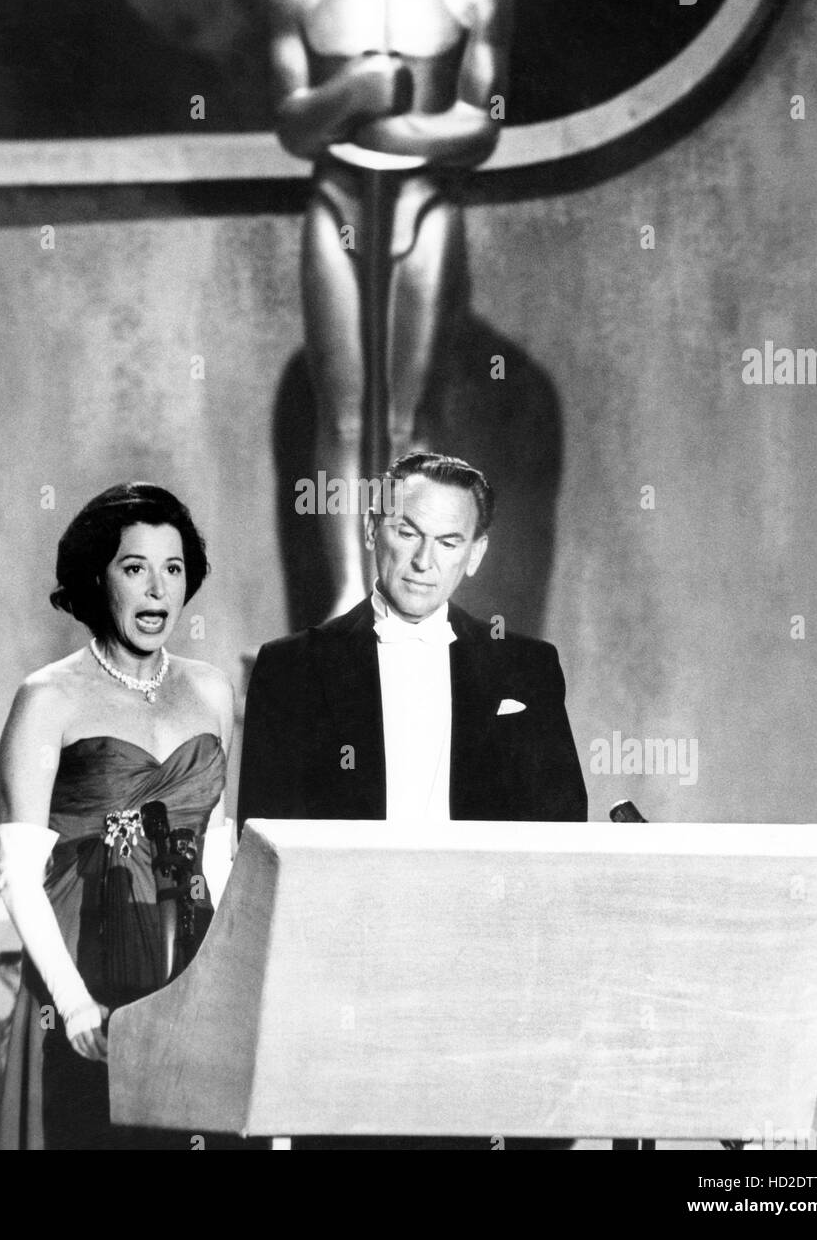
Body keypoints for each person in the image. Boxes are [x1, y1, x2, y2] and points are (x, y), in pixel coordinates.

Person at [238, 452, 586, 1149]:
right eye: (408, 531)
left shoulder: (526, 667)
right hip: (347, 990)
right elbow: (265, 849)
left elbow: (564, 830)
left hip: (484, 990)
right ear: (374, 528)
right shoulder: (291, 667)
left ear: (476, 554)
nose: (426, 560)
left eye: (450, 541)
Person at [271, 0, 513, 615]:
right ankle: (349, 593)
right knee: (342, 412)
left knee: (414, 414)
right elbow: (293, 125)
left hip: (424, 207)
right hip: (337, 201)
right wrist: (352, 90)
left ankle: (417, 594)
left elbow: (482, 125)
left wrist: (394, 128)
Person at [0, 483, 233, 1150]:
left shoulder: (213, 690)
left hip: (190, 963)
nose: (157, 590)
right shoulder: (46, 699)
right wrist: (71, 1003)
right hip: (86, 968)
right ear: (99, 577)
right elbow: (18, 874)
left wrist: (225, 974)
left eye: (174, 569)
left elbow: (218, 847)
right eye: (136, 568)